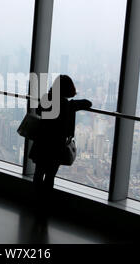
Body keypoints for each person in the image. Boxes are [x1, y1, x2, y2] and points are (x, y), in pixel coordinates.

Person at [29, 75, 92, 208]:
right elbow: (88, 103)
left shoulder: (47, 99)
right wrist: (73, 104)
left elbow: (39, 110)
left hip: (42, 142)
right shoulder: (67, 105)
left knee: (38, 172)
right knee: (50, 176)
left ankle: (34, 200)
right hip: (56, 146)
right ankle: (44, 203)